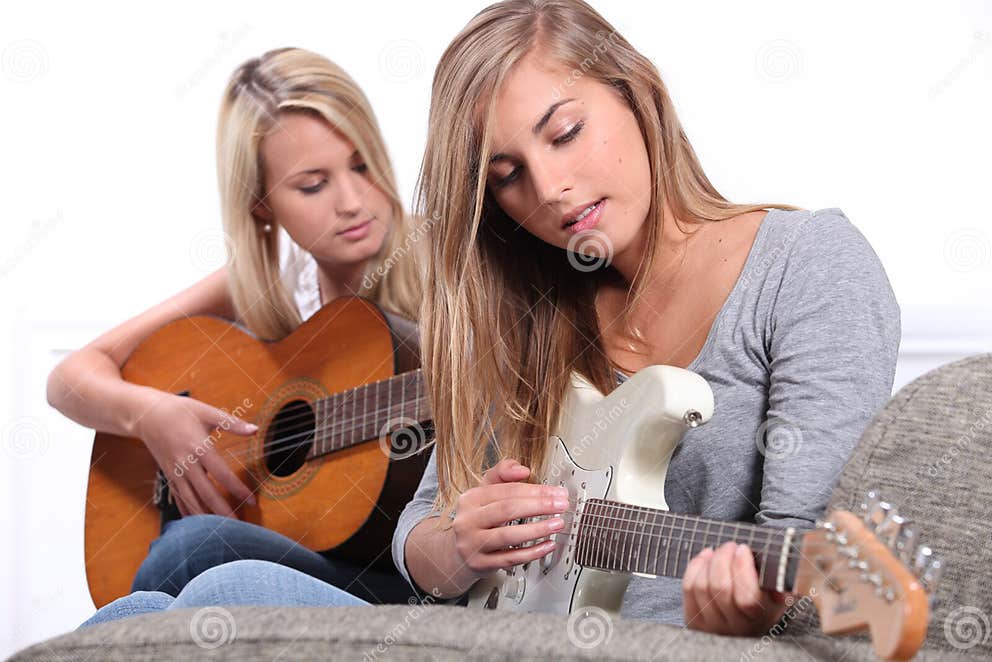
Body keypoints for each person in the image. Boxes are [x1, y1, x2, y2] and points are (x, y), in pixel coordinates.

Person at [76, 0, 900, 636]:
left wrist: (748, 612)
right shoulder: (525, 308)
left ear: (637, 90)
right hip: (490, 628)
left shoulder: (805, 264)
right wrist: (456, 544)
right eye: (506, 175)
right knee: (160, 592)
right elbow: (422, 530)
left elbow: (800, 567)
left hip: (636, 640)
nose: (549, 189)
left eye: (566, 132)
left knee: (222, 585)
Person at [48, 47, 426, 606]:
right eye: (313, 184)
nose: (353, 201)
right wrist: (153, 415)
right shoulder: (272, 282)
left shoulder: (454, 263)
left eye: (363, 164)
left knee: (187, 552)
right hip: (311, 557)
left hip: (410, 575)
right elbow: (69, 380)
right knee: (170, 574)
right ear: (260, 204)